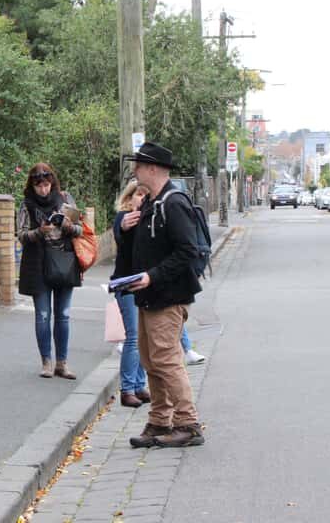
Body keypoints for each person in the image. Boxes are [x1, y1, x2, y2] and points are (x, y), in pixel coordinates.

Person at [123, 142, 205, 448]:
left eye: (140, 165)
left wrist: (151, 276)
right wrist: (126, 227)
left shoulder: (174, 203)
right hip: (149, 294)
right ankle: (159, 421)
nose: (135, 170)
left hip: (168, 295)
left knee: (167, 360)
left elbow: (188, 250)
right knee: (150, 359)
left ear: (154, 168)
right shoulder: (150, 203)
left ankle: (188, 423)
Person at [17, 164, 83, 380]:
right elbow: (21, 235)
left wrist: (67, 226)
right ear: (32, 186)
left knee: (63, 315)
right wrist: (39, 231)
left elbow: (80, 230)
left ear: (52, 183)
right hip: (38, 264)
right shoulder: (26, 204)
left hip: (64, 261)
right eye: (39, 186)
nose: (43, 190)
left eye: (46, 185)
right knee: (43, 315)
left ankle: (62, 363)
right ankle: (46, 361)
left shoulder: (64, 199)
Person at [112, 180, 151, 408]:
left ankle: (138, 384)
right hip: (127, 284)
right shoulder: (124, 218)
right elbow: (120, 233)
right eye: (138, 194)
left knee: (143, 337)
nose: (142, 198)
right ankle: (127, 389)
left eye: (146, 195)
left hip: (145, 284)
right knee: (133, 336)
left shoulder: (150, 220)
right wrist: (126, 226)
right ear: (129, 198)